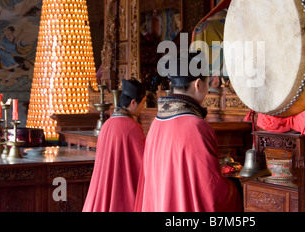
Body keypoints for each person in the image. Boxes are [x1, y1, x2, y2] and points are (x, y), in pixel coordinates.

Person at [134, 52, 242, 212]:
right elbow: (211, 192)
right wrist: (236, 186)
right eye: (208, 83)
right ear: (198, 84)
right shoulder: (196, 127)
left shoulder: (156, 123)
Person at [83, 78, 147, 212]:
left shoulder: (106, 125)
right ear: (133, 102)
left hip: (102, 189)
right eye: (143, 102)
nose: (143, 107)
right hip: (122, 193)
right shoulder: (132, 127)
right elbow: (144, 164)